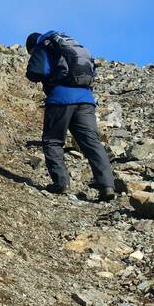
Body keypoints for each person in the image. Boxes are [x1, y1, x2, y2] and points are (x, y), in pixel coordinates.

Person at [25, 30, 116, 201]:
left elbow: (36, 72)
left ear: (31, 46)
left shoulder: (42, 45)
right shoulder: (69, 45)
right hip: (86, 99)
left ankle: (61, 183)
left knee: (53, 140)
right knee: (92, 143)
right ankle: (107, 186)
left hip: (61, 98)